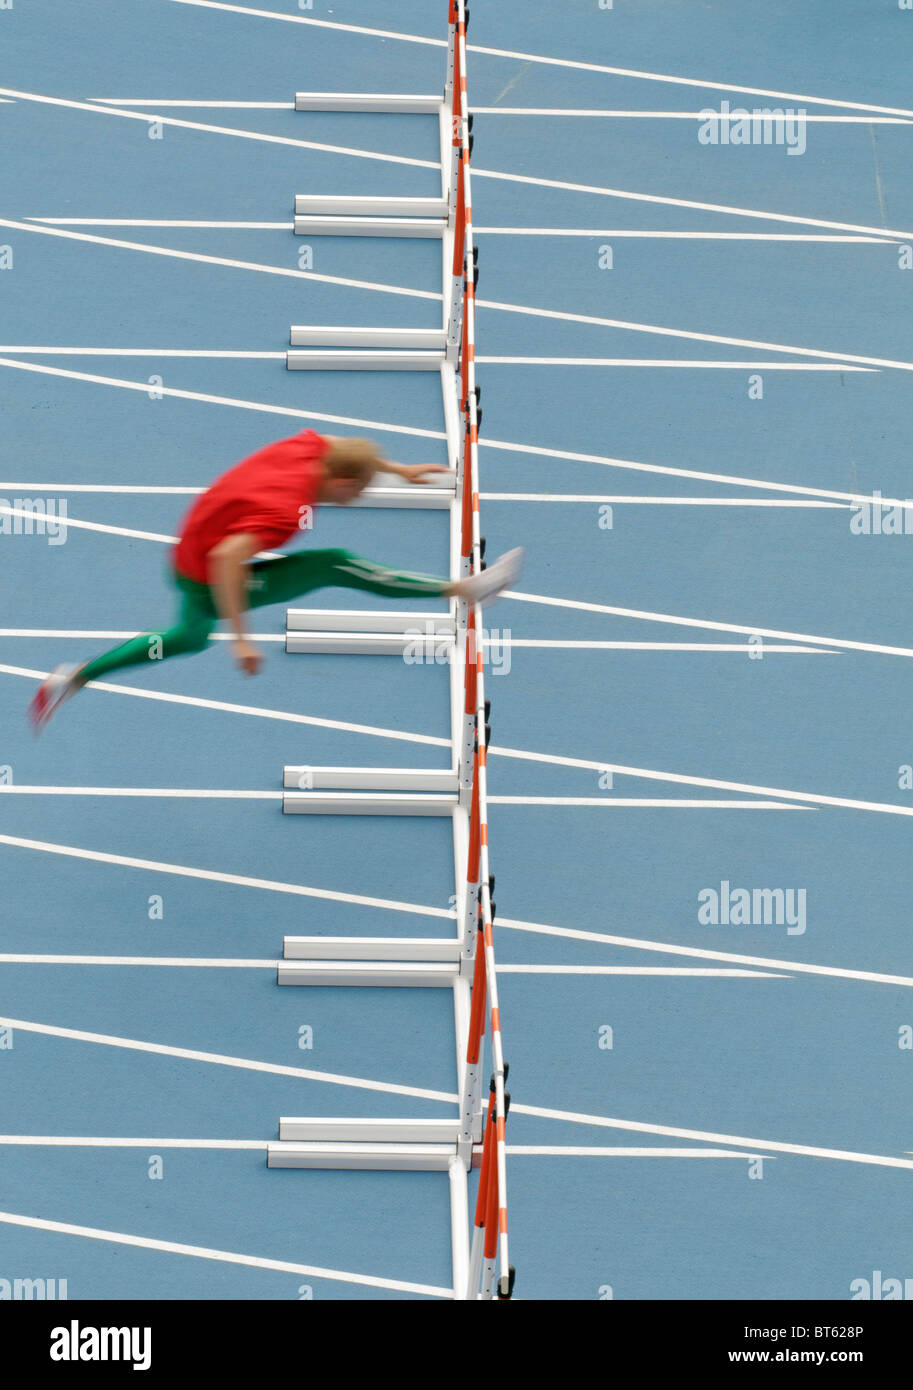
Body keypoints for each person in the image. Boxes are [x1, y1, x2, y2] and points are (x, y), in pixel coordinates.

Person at [29, 428, 522, 728]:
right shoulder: (290, 511)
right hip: (209, 567)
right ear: (343, 483)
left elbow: (341, 444)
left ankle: (76, 675)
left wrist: (400, 470)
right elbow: (228, 558)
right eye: (362, 490)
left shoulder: (309, 450)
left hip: (186, 550)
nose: (361, 498)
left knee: (188, 635)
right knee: (333, 564)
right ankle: (464, 589)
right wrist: (242, 641)